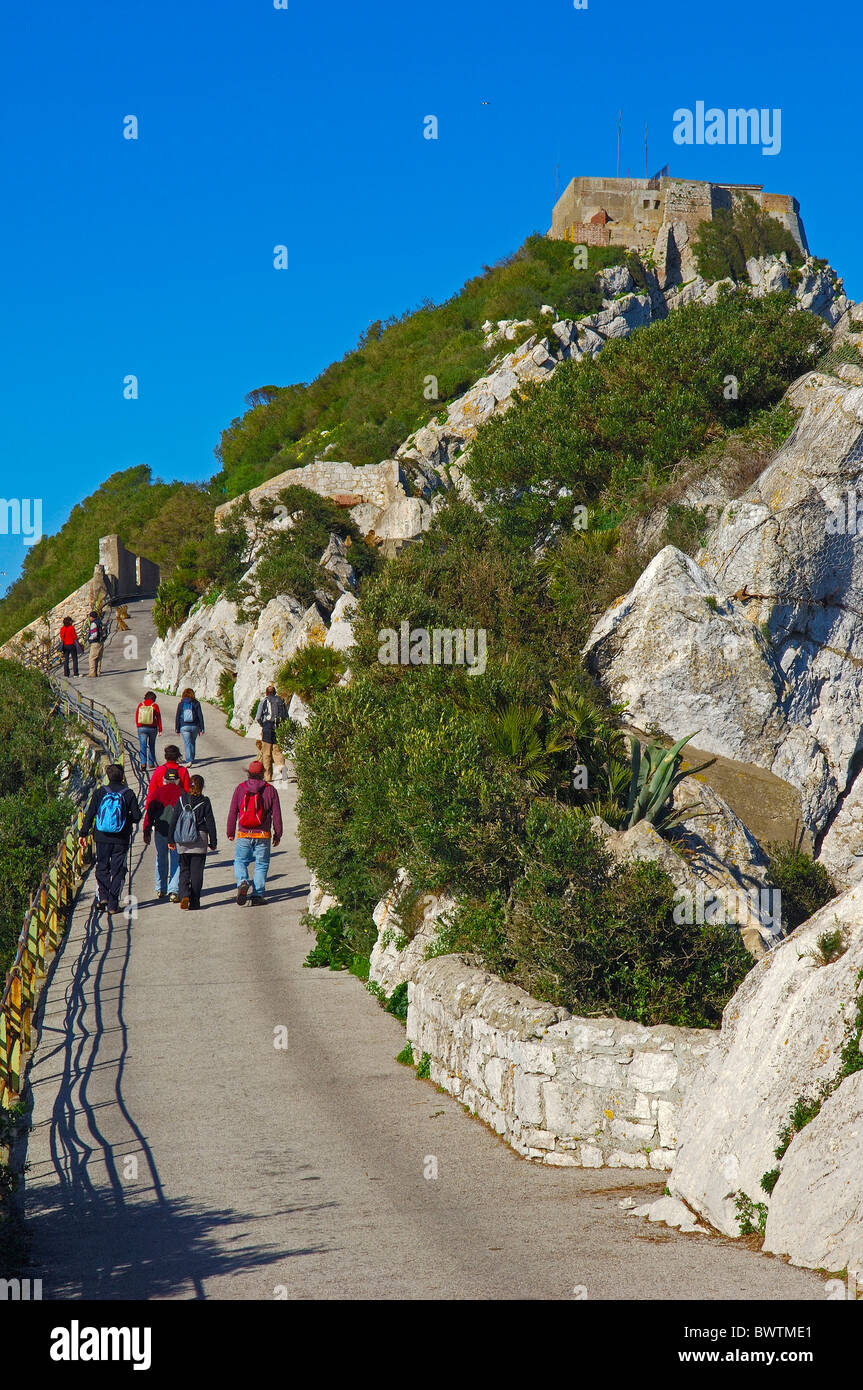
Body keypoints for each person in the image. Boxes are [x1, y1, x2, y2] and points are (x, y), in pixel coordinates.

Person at [79, 763, 141, 914]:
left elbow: (91, 813)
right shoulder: (128, 793)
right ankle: (113, 905)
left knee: (102, 867)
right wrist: (126, 820)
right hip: (121, 838)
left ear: (107, 776)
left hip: (101, 837)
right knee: (119, 869)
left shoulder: (100, 792)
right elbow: (137, 816)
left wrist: (83, 833)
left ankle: (104, 896)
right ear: (122, 777)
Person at [226, 759, 282, 906]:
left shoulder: (240, 788)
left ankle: (243, 881)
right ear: (263, 773)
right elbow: (276, 814)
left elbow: (233, 811)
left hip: (244, 833)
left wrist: (230, 831)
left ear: (249, 773)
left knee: (240, 861)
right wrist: (278, 833)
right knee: (261, 864)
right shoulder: (270, 790)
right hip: (263, 834)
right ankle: (257, 895)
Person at [142, 745, 191, 901]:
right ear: (178, 756)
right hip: (177, 826)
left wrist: (147, 827)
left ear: (165, 756)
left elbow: (150, 800)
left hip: (161, 824)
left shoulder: (158, 772)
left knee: (160, 856)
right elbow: (188, 798)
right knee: (176, 857)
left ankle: (160, 887)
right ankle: (174, 889)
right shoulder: (183, 772)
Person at [168, 774, 217, 911]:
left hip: (183, 840)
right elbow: (210, 822)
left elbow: (174, 820)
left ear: (189, 786)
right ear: (202, 786)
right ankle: (195, 902)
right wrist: (213, 841)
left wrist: (171, 839)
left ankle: (184, 894)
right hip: (199, 839)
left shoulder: (182, 800)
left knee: (184, 870)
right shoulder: (205, 801)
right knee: (197, 872)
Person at [254, 684, 288, 783]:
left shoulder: (264, 701)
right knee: (277, 752)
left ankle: (268, 777)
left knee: (267, 753)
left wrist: (263, 726)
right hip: (278, 728)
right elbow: (286, 716)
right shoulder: (281, 701)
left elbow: (258, 717)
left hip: (267, 728)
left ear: (266, 693)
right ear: (275, 692)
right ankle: (283, 769)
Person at [175, 687, 205, 766]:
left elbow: (177, 716)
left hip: (184, 726)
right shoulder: (196, 703)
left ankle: (189, 760)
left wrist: (177, 729)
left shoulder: (181, 704)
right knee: (192, 742)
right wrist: (202, 728)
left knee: (187, 743)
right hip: (195, 726)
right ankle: (192, 758)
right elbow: (200, 716)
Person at [135, 691, 163, 770]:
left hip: (142, 728)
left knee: (142, 746)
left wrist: (138, 726)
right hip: (152, 728)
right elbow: (158, 718)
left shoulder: (141, 705)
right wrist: (160, 729)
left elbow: (137, 716)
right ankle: (151, 763)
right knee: (151, 745)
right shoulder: (154, 706)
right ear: (154, 698)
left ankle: (143, 763)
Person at [86, 609, 106, 677]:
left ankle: (92, 673)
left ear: (92, 617)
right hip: (101, 642)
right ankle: (98, 672)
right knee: (99, 658)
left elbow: (94, 634)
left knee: (92, 658)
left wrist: (89, 639)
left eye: (90, 617)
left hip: (95, 643)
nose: (89, 618)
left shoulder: (94, 624)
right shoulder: (100, 622)